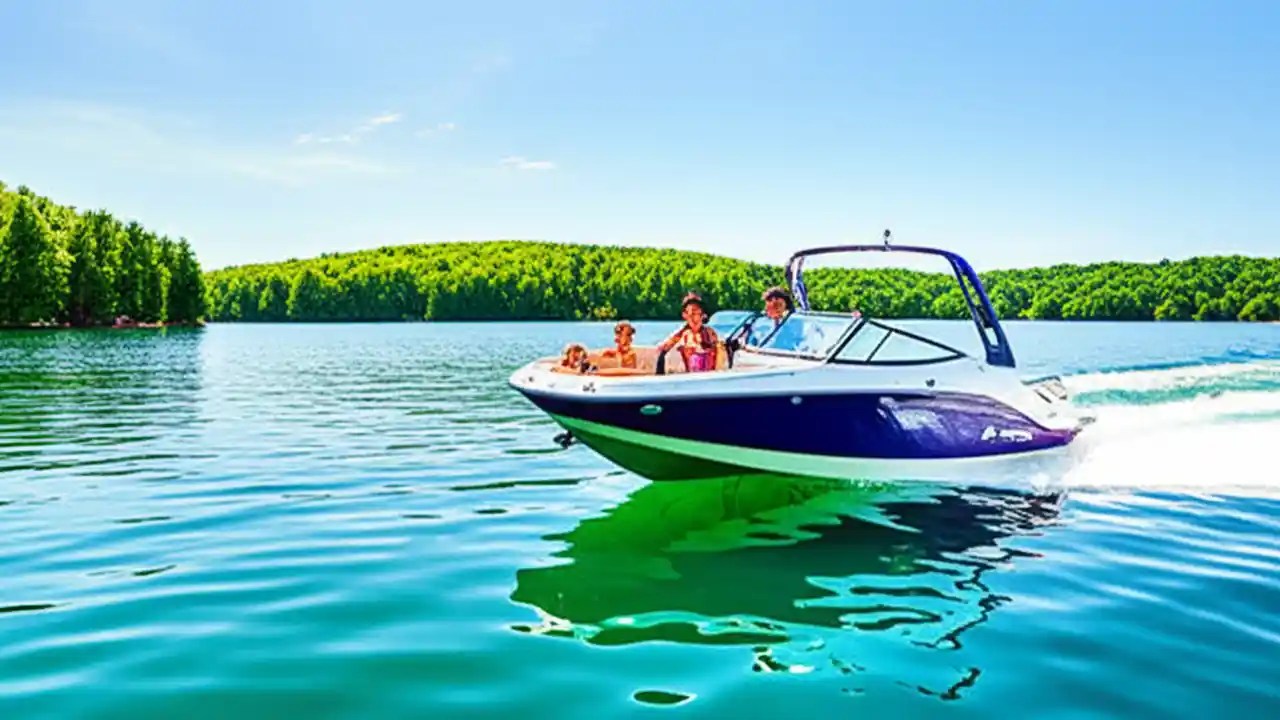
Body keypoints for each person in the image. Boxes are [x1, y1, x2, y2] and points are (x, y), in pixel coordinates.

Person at [657, 293, 720, 372]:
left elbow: (718, 357)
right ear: (685, 315)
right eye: (691, 314)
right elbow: (662, 348)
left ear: (703, 315)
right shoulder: (683, 335)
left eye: (698, 314)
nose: (695, 319)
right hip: (690, 376)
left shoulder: (710, 333)